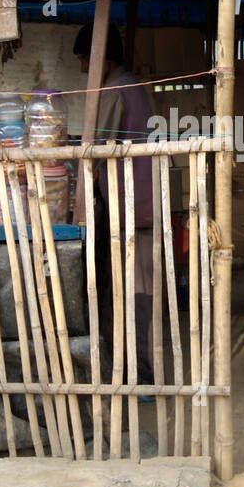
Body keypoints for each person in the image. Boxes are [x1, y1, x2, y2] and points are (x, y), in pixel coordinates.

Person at [73, 23, 158, 391]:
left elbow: (96, 152)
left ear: (101, 59)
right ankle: (142, 371)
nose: (81, 67)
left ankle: (141, 377)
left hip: (129, 208)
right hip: (146, 203)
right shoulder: (135, 87)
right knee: (144, 290)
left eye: (84, 59)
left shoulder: (114, 91)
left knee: (133, 293)